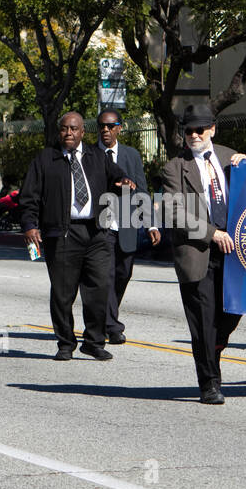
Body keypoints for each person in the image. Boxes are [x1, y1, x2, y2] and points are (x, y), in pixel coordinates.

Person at [149, 105, 246, 404]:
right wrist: (212, 233)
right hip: (198, 252)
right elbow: (173, 211)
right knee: (203, 321)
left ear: (212, 130)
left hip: (234, 252)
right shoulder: (174, 167)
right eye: (188, 130)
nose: (194, 135)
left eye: (199, 130)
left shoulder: (231, 158)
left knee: (230, 314)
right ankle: (209, 384)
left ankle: (214, 348)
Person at [20, 111, 133, 361]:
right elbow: (29, 196)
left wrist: (124, 181)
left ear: (83, 132)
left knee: (99, 289)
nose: (68, 133)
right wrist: (30, 225)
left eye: (73, 129)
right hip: (62, 233)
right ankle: (65, 343)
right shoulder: (45, 159)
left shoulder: (97, 156)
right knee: (63, 293)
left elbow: (116, 175)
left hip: (96, 233)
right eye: (64, 129)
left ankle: (93, 342)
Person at [96, 109, 149, 345]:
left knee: (123, 274)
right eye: (101, 126)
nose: (105, 130)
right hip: (101, 226)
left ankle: (105, 317)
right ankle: (113, 326)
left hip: (127, 224)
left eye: (110, 126)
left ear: (119, 128)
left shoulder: (131, 155)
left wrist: (151, 224)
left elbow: (142, 189)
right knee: (105, 275)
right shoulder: (89, 154)